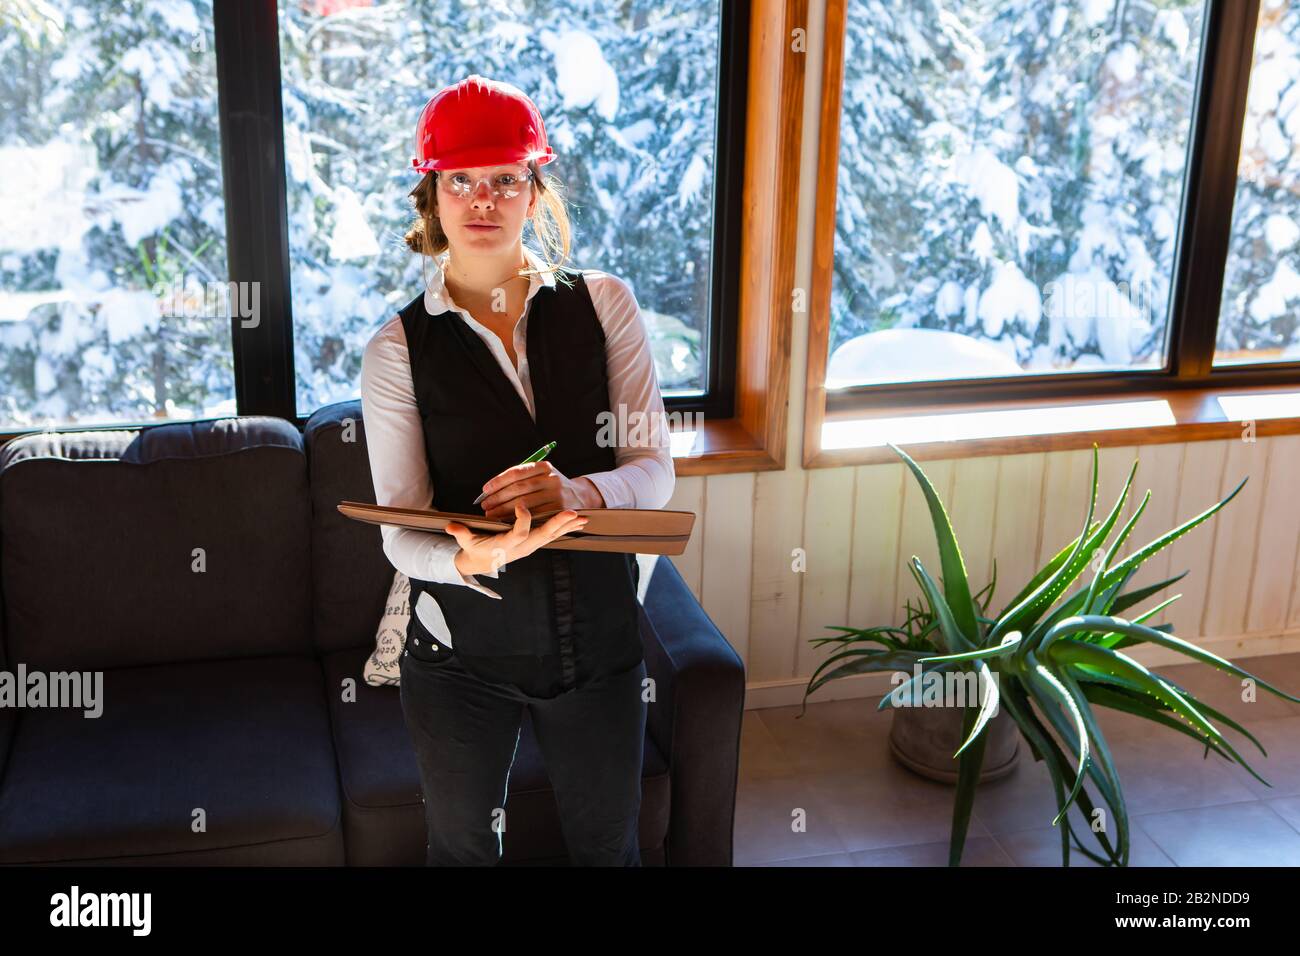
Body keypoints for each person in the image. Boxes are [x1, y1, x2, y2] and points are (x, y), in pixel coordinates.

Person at [359, 74, 675, 866]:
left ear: (535, 192)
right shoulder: (395, 350)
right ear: (432, 197)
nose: (483, 200)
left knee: (610, 853)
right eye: (460, 180)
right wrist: (469, 558)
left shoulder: (607, 306)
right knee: (463, 855)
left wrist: (577, 493)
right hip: (457, 658)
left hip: (600, 650)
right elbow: (401, 526)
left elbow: (654, 470)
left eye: (506, 179)